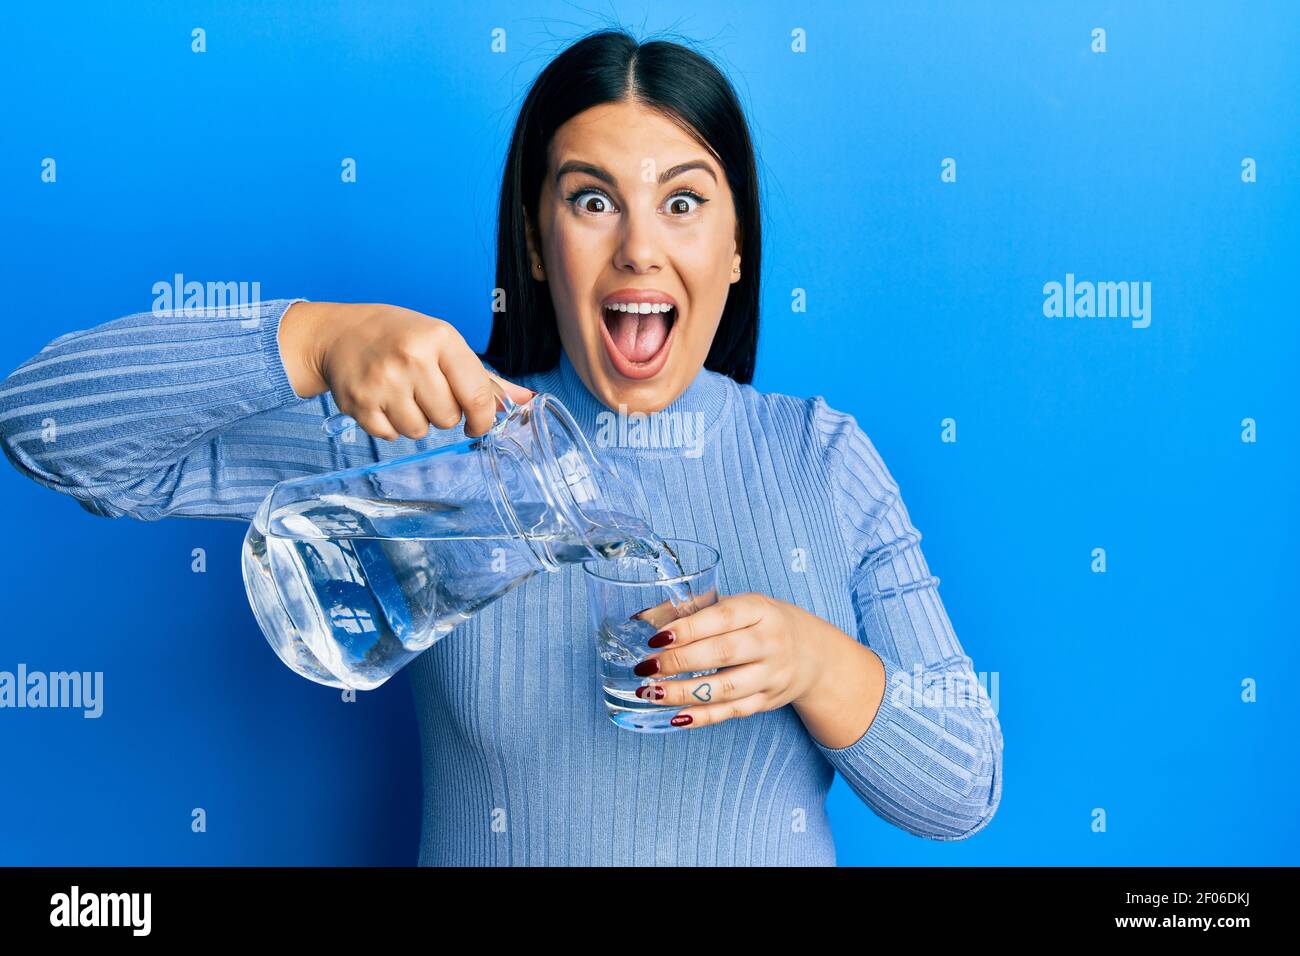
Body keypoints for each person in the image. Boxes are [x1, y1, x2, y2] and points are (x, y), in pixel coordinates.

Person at [0, 29, 1001, 865]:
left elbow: (962, 789)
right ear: (534, 241)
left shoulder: (818, 459)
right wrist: (307, 340)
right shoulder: (437, 432)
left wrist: (811, 660)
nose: (639, 248)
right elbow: (42, 428)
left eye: (684, 202)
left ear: (736, 247)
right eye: (591, 199)